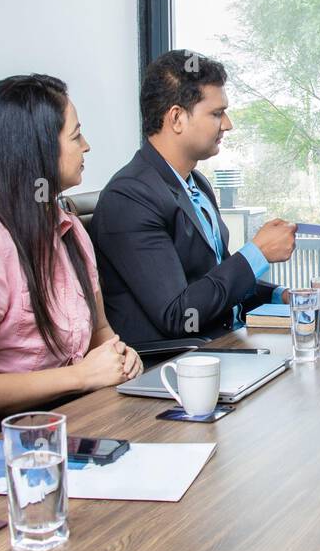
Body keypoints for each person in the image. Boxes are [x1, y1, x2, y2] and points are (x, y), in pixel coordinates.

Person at [0, 75, 142, 417]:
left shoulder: (67, 227)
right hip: (17, 438)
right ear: (36, 149)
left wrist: (121, 357)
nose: (86, 146)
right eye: (75, 136)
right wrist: (79, 377)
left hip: (82, 414)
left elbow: (101, 331)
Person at [91, 51, 296, 343]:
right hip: (177, 365)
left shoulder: (195, 183)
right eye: (216, 113)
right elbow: (178, 314)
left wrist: (281, 296)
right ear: (176, 118)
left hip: (223, 345)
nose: (227, 124)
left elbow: (217, 282)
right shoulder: (129, 197)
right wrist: (257, 253)